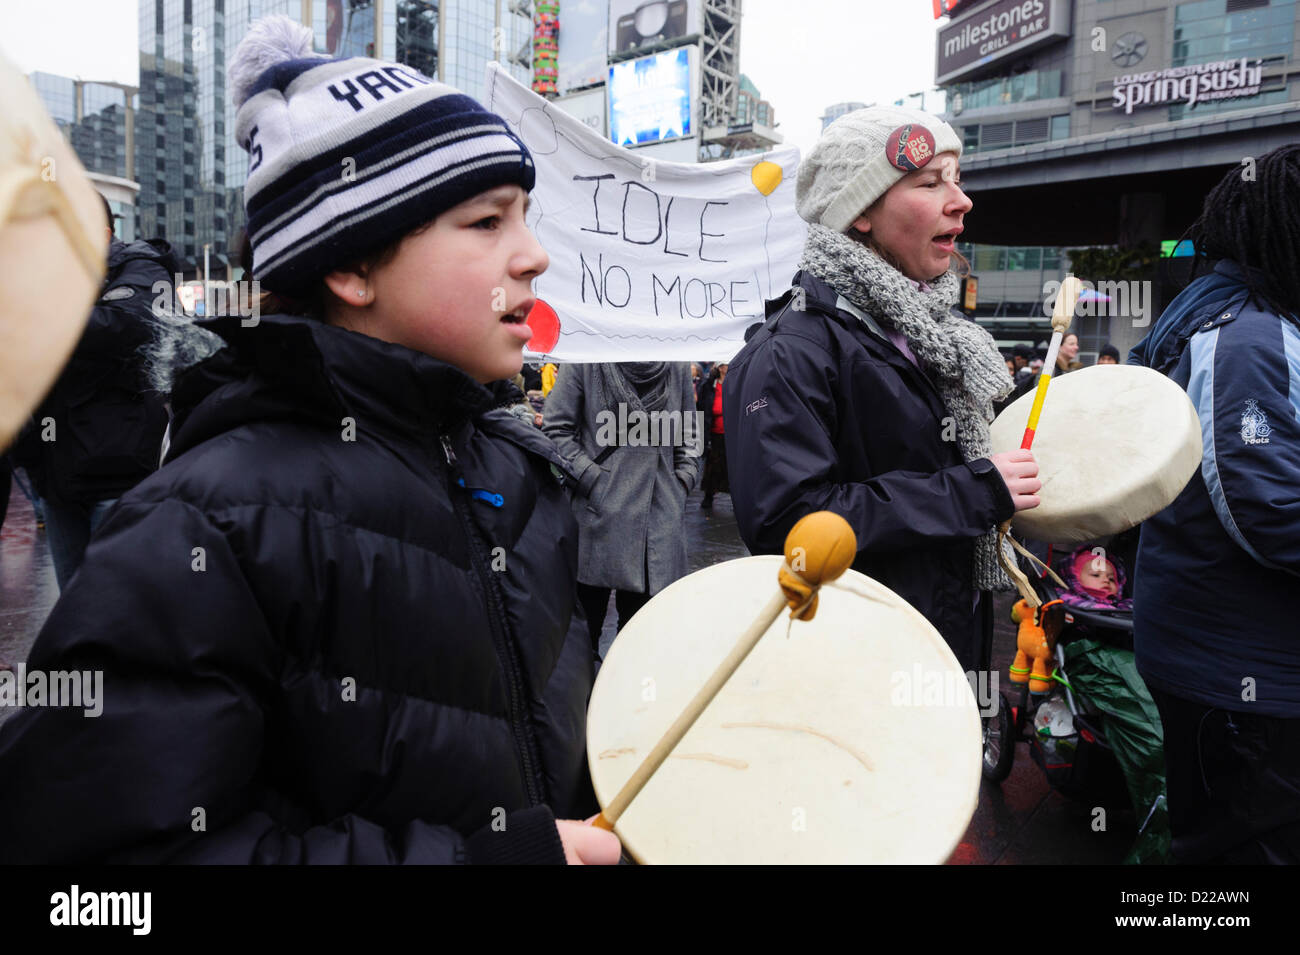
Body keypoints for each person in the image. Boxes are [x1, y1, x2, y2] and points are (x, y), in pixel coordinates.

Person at [0, 16, 619, 865]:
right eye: (486, 222)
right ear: (350, 268)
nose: (535, 256)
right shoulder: (204, 526)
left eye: (526, 217)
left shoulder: (517, 472)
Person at [724, 107, 1040, 672]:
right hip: (858, 668)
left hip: (942, 647)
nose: (961, 200)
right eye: (929, 182)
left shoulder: (942, 340)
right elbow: (789, 526)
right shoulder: (792, 351)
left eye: (958, 178)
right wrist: (972, 493)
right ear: (860, 213)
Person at [1128, 143, 1300, 864]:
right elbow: (1268, 508)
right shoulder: (1248, 335)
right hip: (1243, 678)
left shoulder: (1228, 315)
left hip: (1227, 662)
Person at [10, 194, 176, 590]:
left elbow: (126, 324)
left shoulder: (140, 267)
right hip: (55, 474)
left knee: (118, 604)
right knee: (73, 600)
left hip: (117, 471)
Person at [543, 362, 700, 658]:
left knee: (641, 648)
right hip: (598, 514)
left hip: (659, 517)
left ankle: (630, 703)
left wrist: (682, 480)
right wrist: (591, 478)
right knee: (580, 640)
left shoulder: (676, 363)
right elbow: (556, 429)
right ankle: (582, 701)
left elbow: (690, 434)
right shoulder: (587, 359)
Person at [697, 362, 729, 510]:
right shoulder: (710, 386)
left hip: (732, 435)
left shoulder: (736, 383)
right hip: (715, 434)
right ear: (720, 368)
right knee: (712, 466)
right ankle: (708, 496)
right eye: (725, 365)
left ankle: (737, 496)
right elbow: (703, 408)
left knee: (732, 467)